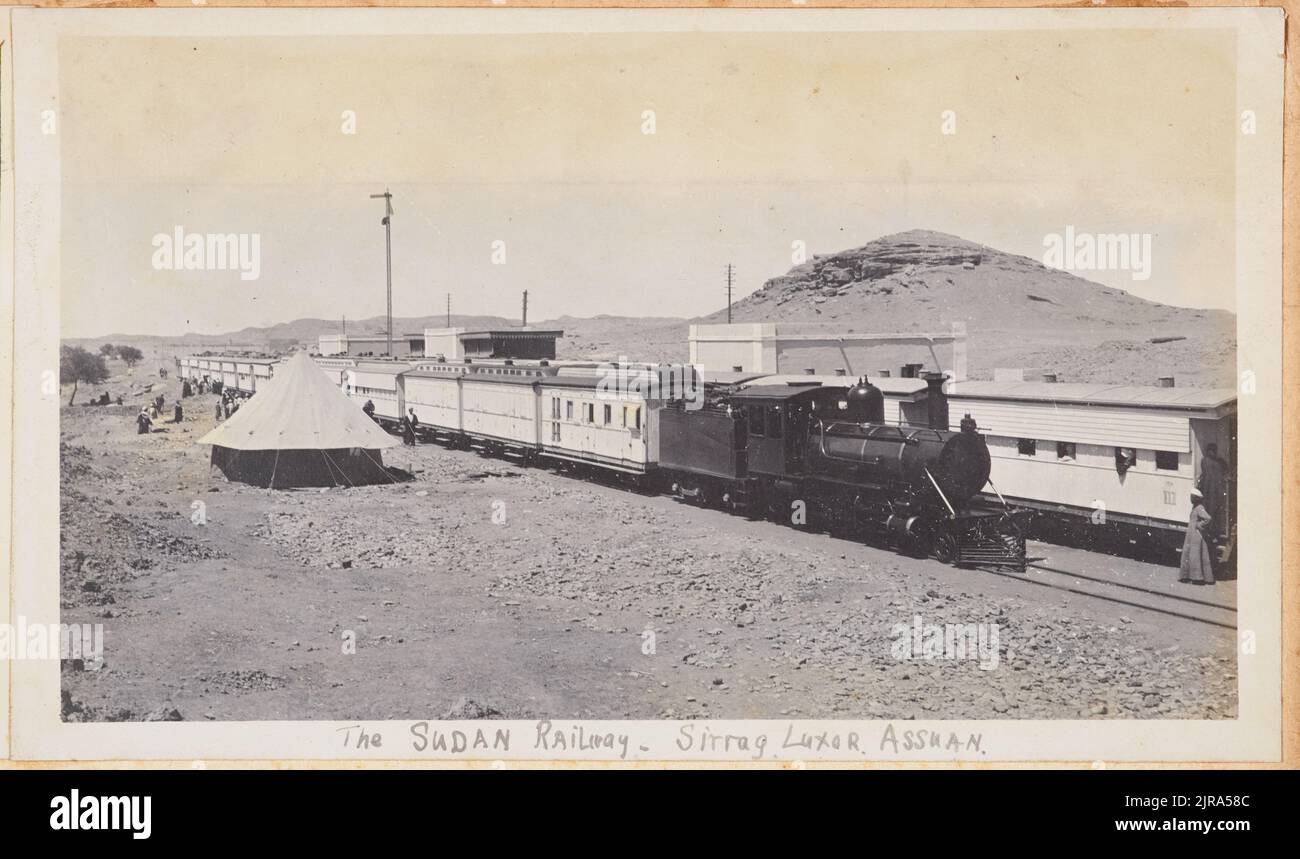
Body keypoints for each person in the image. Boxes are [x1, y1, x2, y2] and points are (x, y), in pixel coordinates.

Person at [1178, 488, 1215, 585]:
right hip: (1191, 535)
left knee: (1195, 556)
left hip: (1196, 535)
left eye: (1192, 497)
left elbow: (1208, 518)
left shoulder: (1199, 508)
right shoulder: (1195, 507)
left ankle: (1197, 578)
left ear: (1196, 498)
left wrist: (1199, 525)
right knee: (1189, 554)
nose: (1190, 499)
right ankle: (1187, 576)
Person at [1198, 443, 1230, 539]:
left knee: (1208, 511)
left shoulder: (1204, 461)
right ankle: (1215, 533)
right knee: (1216, 512)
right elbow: (1226, 470)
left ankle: (1209, 533)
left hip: (1207, 492)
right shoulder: (1220, 462)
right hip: (1218, 492)